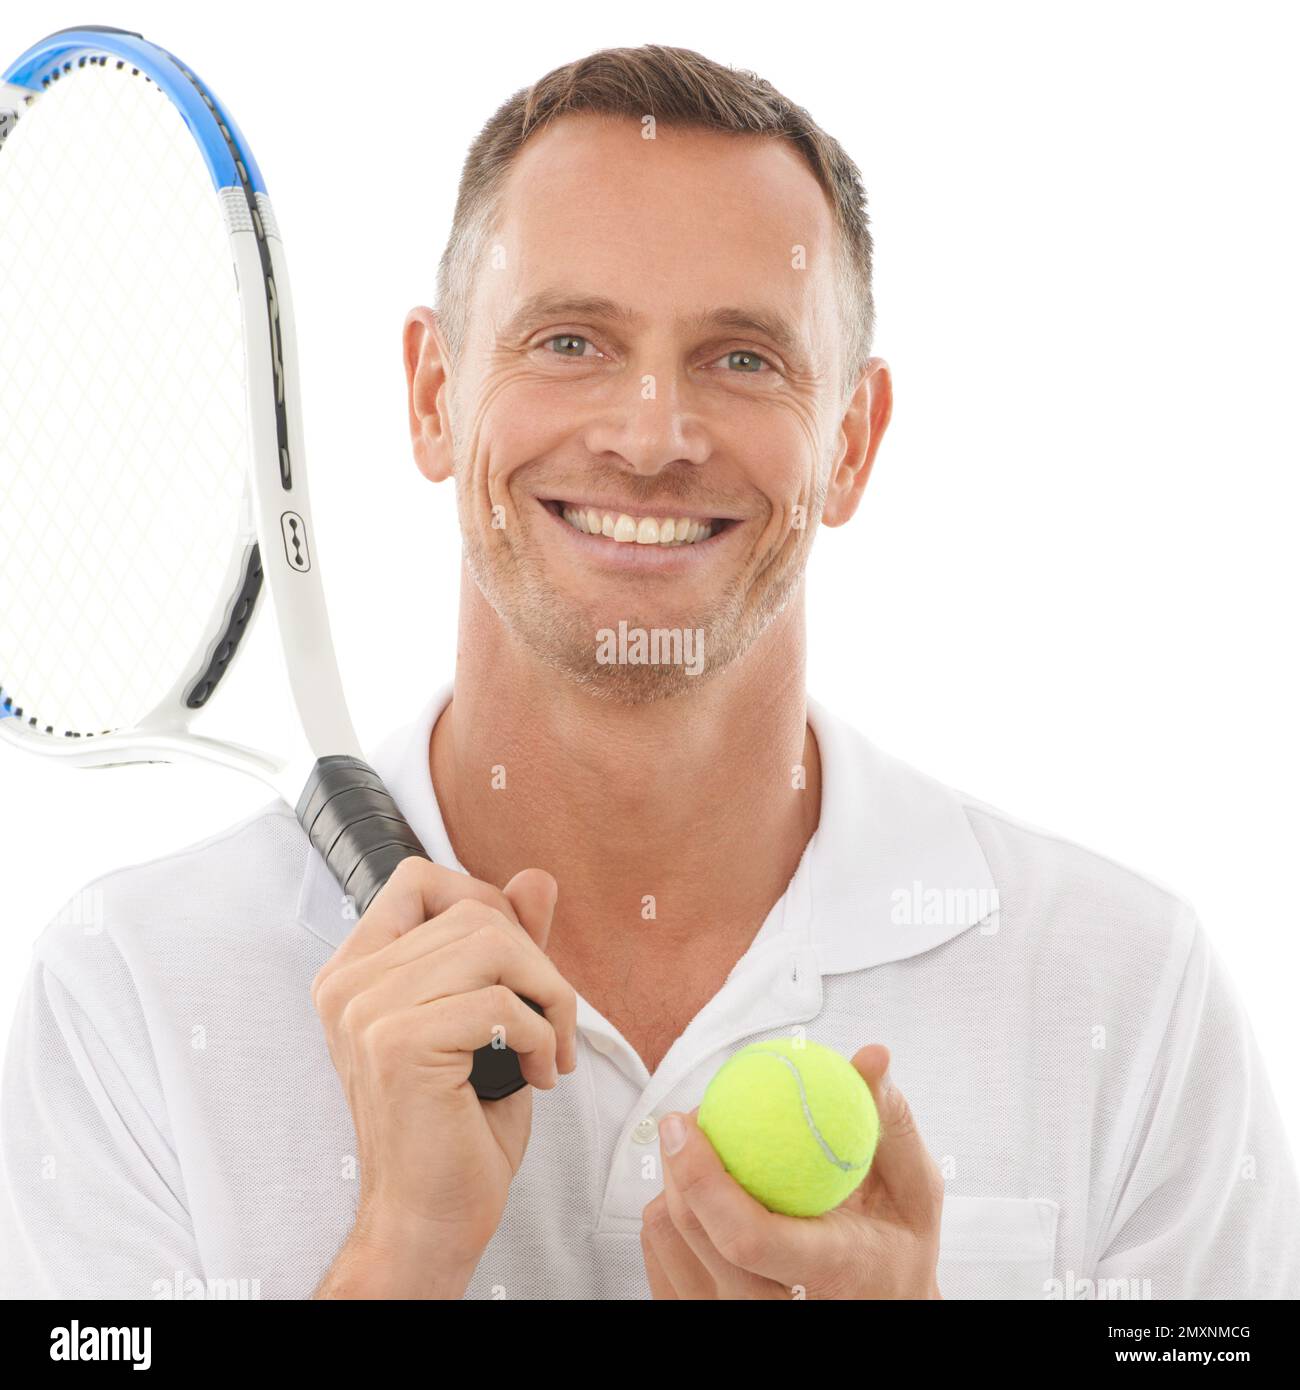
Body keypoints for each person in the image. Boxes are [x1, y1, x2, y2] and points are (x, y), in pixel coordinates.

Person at [2, 45, 1297, 1301]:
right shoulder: (128, 993)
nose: (650, 435)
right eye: (569, 340)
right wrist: (396, 1257)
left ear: (853, 441)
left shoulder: (1133, 995)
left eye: (743, 358)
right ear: (431, 394)